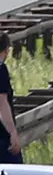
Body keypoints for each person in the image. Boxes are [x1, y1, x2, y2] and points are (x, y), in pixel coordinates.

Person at [0, 32, 22, 164]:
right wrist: (12, 133)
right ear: (7, 49)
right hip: (2, 137)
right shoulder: (1, 69)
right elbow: (1, 103)